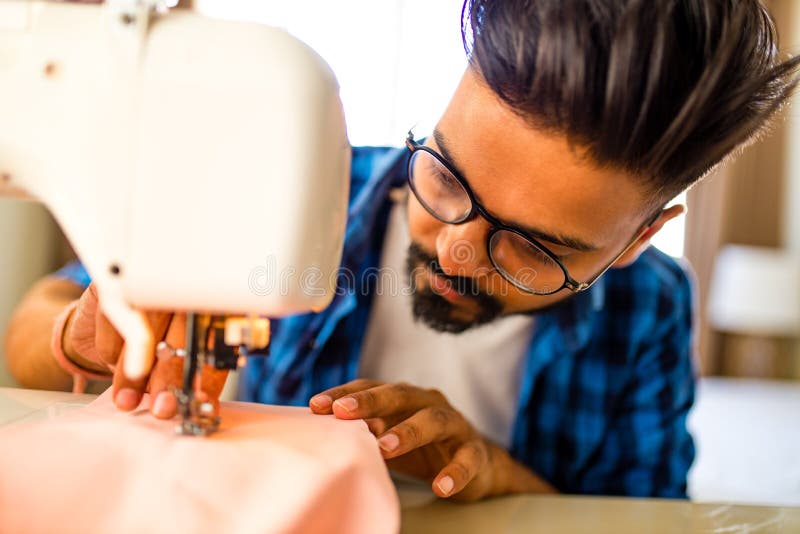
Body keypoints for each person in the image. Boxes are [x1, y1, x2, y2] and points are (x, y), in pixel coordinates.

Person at [5, 0, 799, 502]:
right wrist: (82, 336)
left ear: (638, 239)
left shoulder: (652, 306)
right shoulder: (296, 188)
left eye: (533, 246)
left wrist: (494, 472)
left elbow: (647, 520)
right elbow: (32, 325)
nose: (456, 253)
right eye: (448, 175)